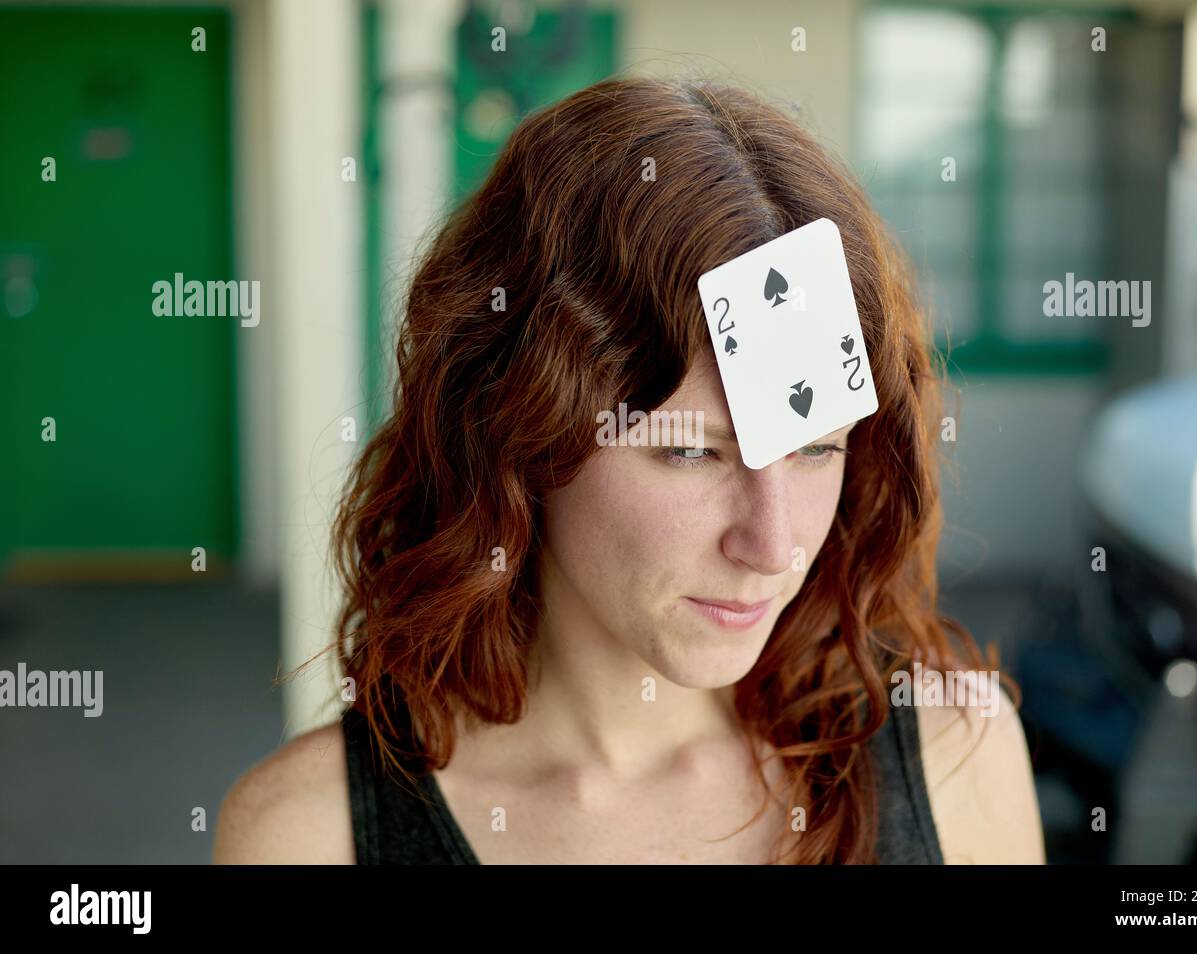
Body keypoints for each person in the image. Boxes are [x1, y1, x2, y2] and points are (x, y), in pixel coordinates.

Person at [214, 74, 1044, 865]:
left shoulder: (955, 755)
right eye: (692, 451)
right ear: (517, 433)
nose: (774, 543)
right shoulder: (309, 835)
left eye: (815, 447)